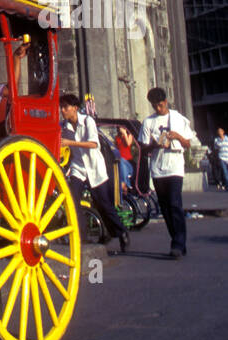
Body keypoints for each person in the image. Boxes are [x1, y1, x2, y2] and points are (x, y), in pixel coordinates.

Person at [60, 94, 129, 252]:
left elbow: (93, 143)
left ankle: (120, 232)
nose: (63, 110)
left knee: (104, 204)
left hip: (94, 168)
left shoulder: (88, 121)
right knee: (72, 201)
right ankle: (81, 237)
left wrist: (70, 143)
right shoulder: (64, 126)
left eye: (66, 107)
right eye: (61, 107)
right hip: (78, 168)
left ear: (75, 108)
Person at [139, 87, 192, 259]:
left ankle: (177, 243)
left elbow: (188, 144)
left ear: (166, 102)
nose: (159, 109)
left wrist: (177, 137)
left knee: (175, 203)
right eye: (155, 107)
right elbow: (142, 146)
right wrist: (155, 145)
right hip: (158, 167)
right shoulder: (148, 122)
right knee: (165, 207)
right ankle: (177, 239)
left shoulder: (178, 118)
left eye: (161, 105)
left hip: (175, 166)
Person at [114, 125, 137, 195]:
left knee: (122, 163)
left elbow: (128, 144)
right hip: (119, 159)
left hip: (127, 160)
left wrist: (124, 133)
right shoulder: (117, 137)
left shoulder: (129, 135)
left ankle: (126, 184)